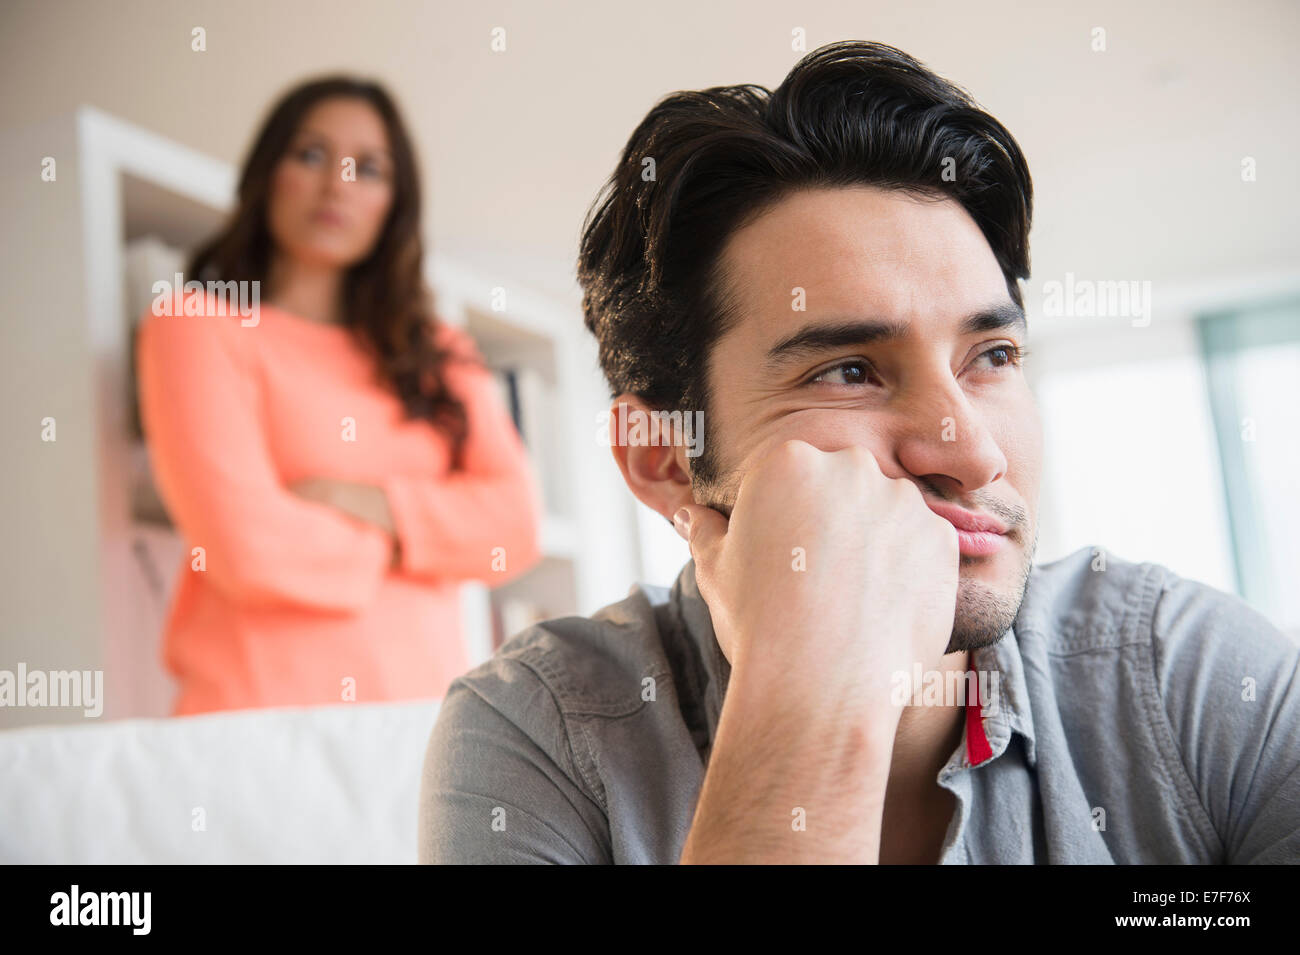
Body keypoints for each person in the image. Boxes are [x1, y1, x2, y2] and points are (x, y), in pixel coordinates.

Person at [417, 41, 1300, 864]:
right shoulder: (537, 730)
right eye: (848, 371)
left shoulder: (1193, 674)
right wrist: (810, 701)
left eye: (990, 357)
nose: (974, 453)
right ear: (665, 459)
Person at [137, 77, 542, 716]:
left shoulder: (439, 350)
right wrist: (417, 545)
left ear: (395, 202)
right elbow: (244, 549)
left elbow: (515, 529)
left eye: (369, 169)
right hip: (255, 725)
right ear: (268, 173)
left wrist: (355, 502)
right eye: (310, 155)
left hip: (426, 727)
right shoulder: (197, 324)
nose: (338, 185)